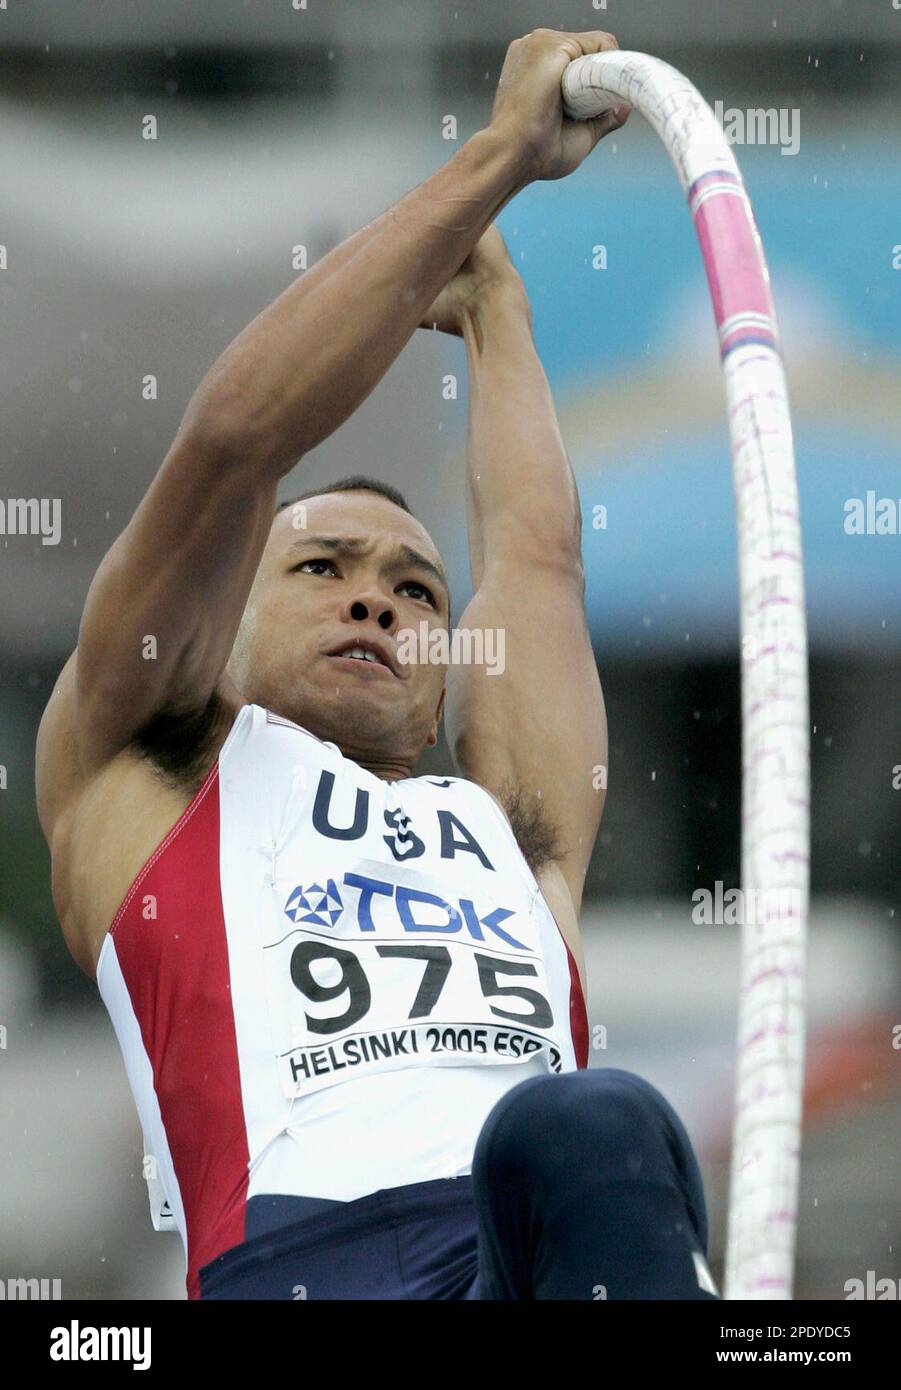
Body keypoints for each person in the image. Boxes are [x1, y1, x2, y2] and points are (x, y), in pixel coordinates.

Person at [35, 27, 717, 1300]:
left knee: (592, 1122)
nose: (376, 601)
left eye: (414, 589)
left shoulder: (512, 830)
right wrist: (498, 163)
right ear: (225, 627)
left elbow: (538, 566)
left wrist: (499, 311)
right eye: (323, 568)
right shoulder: (149, 763)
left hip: (513, 1255)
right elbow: (237, 442)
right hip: (304, 1261)